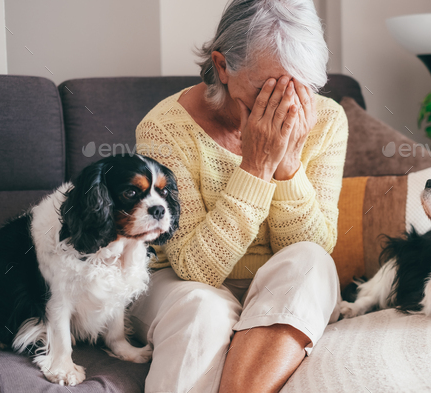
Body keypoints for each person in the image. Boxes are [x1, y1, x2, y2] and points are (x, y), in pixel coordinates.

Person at [132, 0, 348, 392]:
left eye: (300, 86)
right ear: (222, 66)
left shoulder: (327, 120)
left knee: (312, 261)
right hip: (179, 284)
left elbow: (310, 248)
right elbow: (194, 268)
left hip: (279, 289)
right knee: (202, 308)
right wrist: (256, 167)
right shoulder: (163, 129)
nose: (285, 103)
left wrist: (288, 165)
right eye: (268, 87)